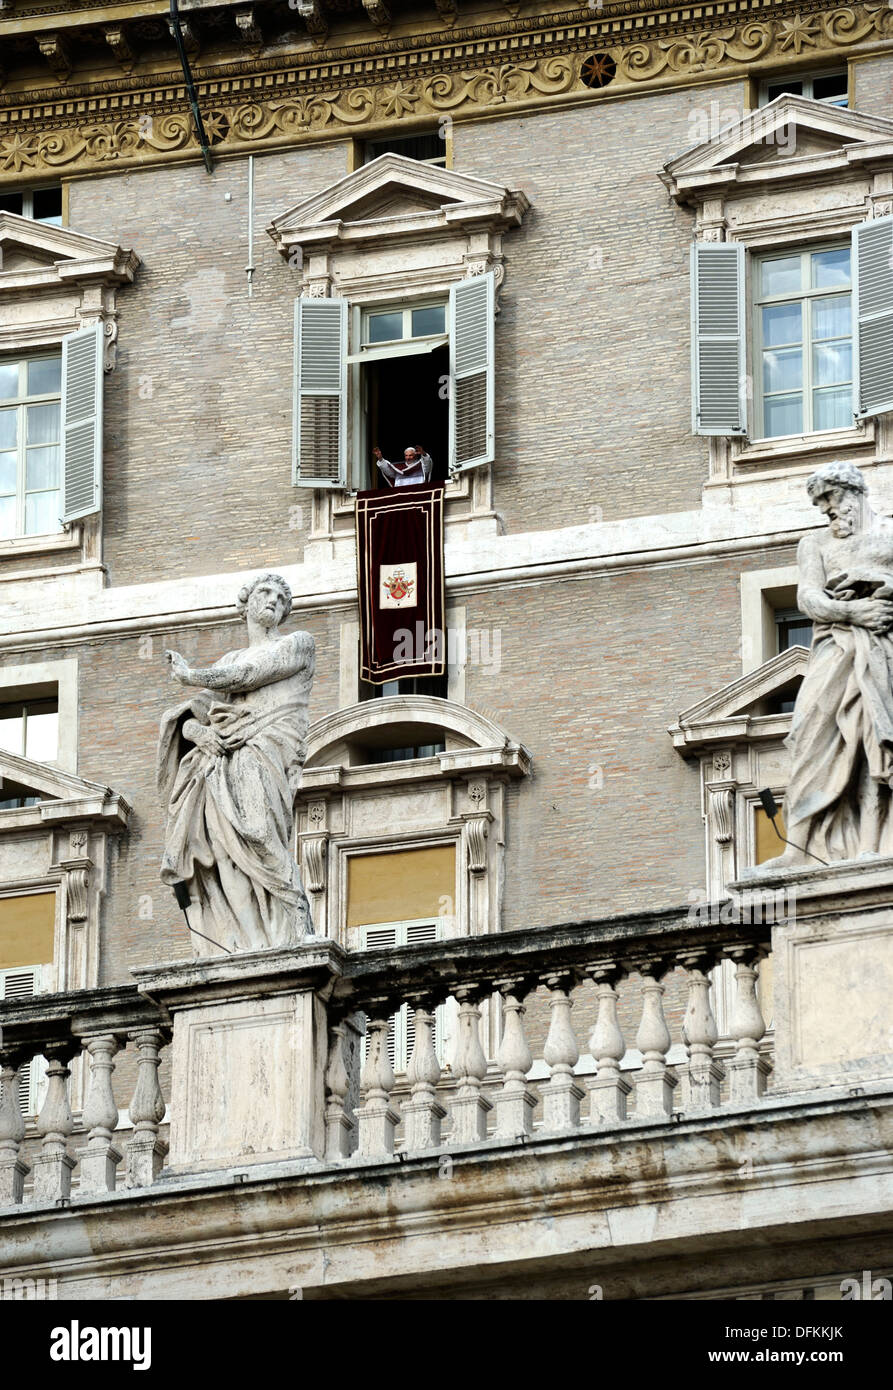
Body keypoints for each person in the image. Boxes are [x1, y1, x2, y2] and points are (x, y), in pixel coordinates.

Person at [157, 573, 315, 953]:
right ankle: (246, 945)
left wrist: (189, 674)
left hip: (266, 749)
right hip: (221, 760)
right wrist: (201, 734)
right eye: (265, 592)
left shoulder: (299, 644)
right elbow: (193, 715)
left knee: (259, 832)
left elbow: (249, 675)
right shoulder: (229, 659)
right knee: (224, 854)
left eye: (281, 596)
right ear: (245, 603)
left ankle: (295, 921)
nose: (274, 600)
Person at [768, 461, 893, 866]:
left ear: (855, 493)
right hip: (835, 648)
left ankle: (872, 847)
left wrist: (875, 582)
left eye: (831, 498)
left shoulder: (889, 533)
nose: (826, 509)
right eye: (819, 503)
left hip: (882, 648)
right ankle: (797, 849)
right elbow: (808, 598)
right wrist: (854, 612)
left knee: (871, 739)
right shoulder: (815, 543)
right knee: (811, 732)